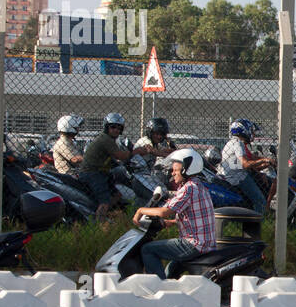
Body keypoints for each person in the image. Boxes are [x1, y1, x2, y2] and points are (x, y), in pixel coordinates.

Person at [131, 148, 216, 280]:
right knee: (170, 272)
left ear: (186, 170)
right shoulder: (199, 186)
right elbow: (194, 215)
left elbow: (165, 211)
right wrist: (170, 223)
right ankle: (170, 292)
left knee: (148, 250)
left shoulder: (188, 188)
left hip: (194, 245)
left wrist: (140, 210)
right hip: (204, 244)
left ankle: (157, 288)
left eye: (176, 170)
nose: (172, 173)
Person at [82, 112, 133, 219]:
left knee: (117, 195)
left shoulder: (111, 140)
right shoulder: (105, 139)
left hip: (101, 173)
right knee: (104, 202)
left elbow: (114, 159)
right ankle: (98, 223)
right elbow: (121, 156)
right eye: (113, 127)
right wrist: (137, 151)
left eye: (119, 128)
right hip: (93, 173)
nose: (116, 130)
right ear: (106, 127)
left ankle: (107, 217)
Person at [218, 119, 272, 215]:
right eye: (251, 130)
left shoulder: (232, 142)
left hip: (231, 175)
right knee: (260, 201)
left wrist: (265, 159)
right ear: (244, 130)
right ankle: (258, 225)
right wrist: (264, 160)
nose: (253, 134)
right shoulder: (238, 143)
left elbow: (250, 158)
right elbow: (245, 164)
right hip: (238, 177)